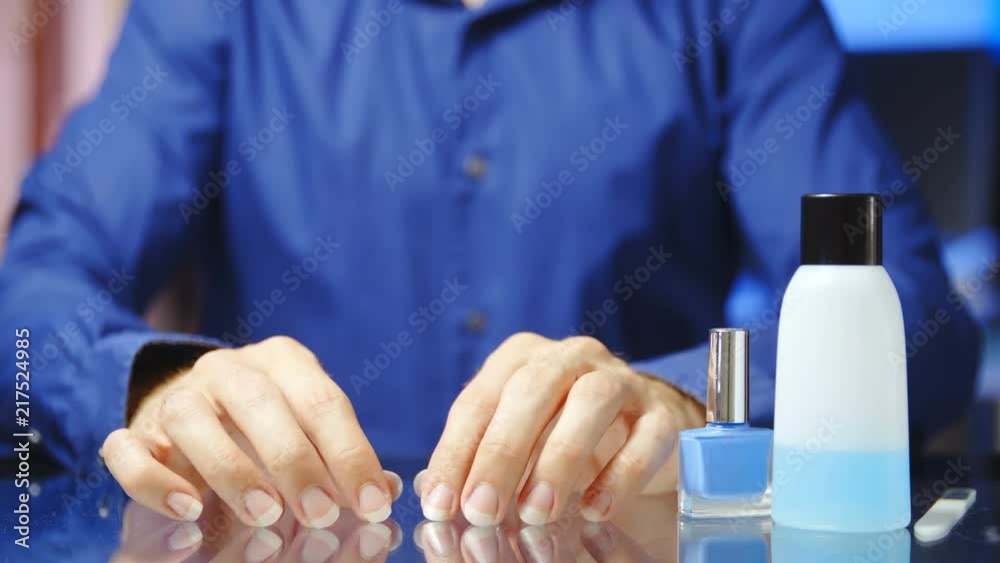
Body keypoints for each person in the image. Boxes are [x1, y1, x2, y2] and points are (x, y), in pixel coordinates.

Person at [0, 0, 980, 531]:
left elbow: (917, 318)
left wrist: (682, 397)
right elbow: (28, 299)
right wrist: (156, 381)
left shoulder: (737, 12)